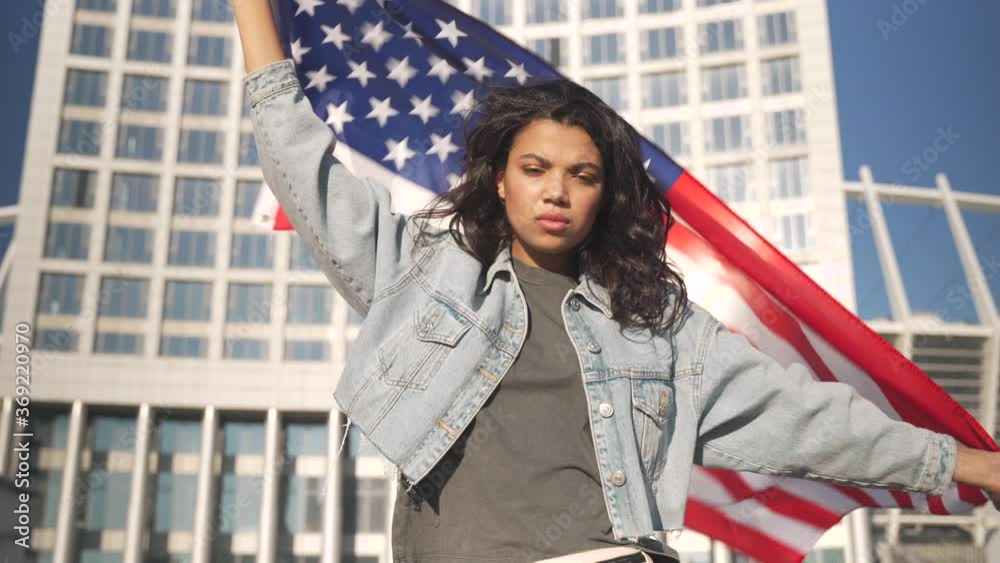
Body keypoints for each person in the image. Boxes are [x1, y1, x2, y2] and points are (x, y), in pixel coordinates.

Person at [233, 2, 1000, 562]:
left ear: (605, 195)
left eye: (583, 174)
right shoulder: (423, 276)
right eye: (535, 169)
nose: (556, 191)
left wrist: (970, 464)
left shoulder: (656, 326)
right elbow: (302, 164)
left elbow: (805, 419)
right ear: (500, 180)